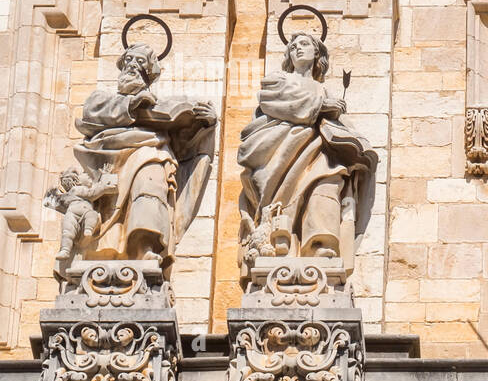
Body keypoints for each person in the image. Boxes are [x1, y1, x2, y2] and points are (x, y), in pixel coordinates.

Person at [237, 32, 377, 271]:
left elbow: (339, 125)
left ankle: (321, 243)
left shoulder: (322, 90)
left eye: (304, 44)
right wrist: (319, 107)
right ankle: (280, 240)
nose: (298, 49)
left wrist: (358, 145)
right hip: (282, 151)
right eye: (293, 47)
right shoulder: (278, 79)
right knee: (285, 200)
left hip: (318, 149)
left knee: (329, 181)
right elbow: (272, 101)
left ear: (317, 53)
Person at [68, 43, 215, 264]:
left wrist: (207, 123)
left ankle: (144, 248)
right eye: (129, 61)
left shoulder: (160, 104)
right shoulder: (101, 98)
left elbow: (185, 144)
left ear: (148, 73)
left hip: (151, 153)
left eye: (139, 63)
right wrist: (130, 105)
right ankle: (105, 250)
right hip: (109, 158)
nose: (133, 66)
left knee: (152, 184)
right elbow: (90, 115)